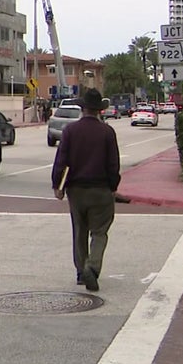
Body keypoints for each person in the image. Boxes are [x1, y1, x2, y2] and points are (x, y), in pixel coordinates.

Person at [51, 88, 120, 292]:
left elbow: (61, 161)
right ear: (100, 110)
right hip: (101, 189)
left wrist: (58, 186)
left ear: (82, 109)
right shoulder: (107, 132)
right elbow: (113, 164)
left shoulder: (70, 131)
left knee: (79, 231)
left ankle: (81, 271)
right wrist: (113, 187)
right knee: (100, 232)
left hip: (77, 190)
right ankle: (93, 266)